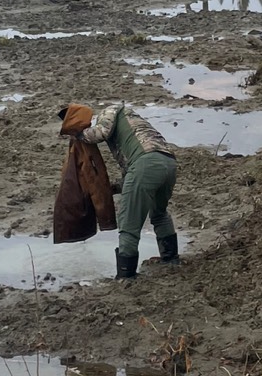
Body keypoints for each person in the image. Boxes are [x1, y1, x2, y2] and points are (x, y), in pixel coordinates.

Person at [63, 100, 179, 280]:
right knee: (159, 213)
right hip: (168, 163)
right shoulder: (131, 122)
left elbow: (100, 133)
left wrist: (79, 136)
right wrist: (112, 188)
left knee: (128, 223)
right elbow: (132, 175)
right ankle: (171, 260)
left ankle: (126, 276)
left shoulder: (109, 110)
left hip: (145, 163)